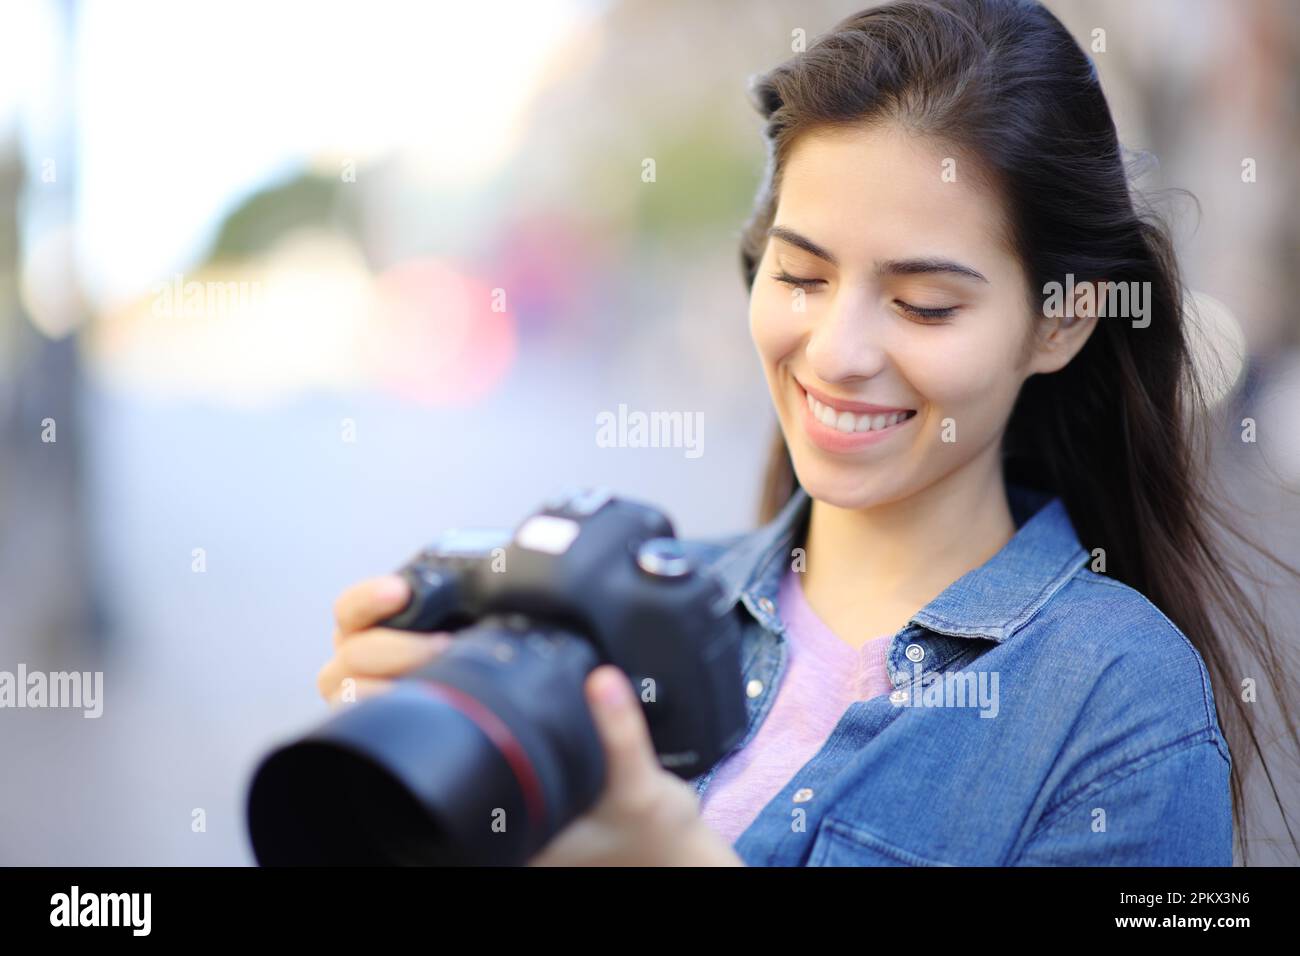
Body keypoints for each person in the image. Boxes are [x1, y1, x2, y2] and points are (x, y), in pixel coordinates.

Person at [315, 0, 1299, 865]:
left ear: (1059, 320)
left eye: (920, 303)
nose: (836, 351)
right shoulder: (622, 620)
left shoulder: (1119, 701)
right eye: (800, 277)